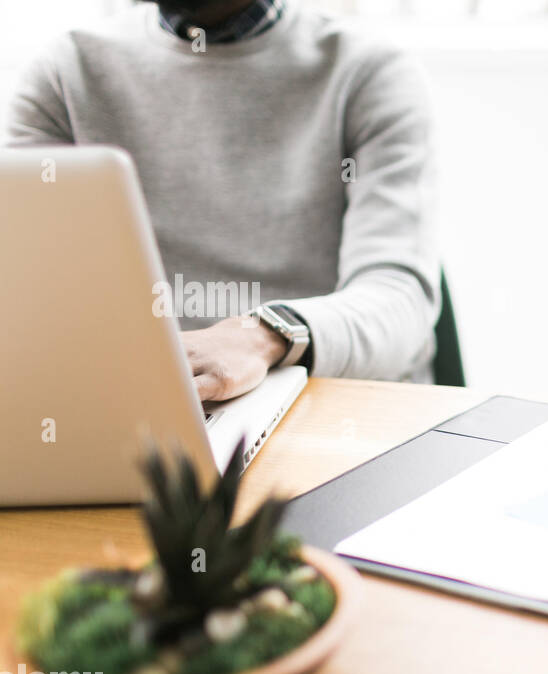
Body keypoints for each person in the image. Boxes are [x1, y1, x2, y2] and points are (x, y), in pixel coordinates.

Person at [5, 0, 440, 400]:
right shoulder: (66, 72)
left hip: (332, 406)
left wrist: (266, 335)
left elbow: (402, 301)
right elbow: (31, 293)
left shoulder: (368, 73)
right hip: (147, 406)